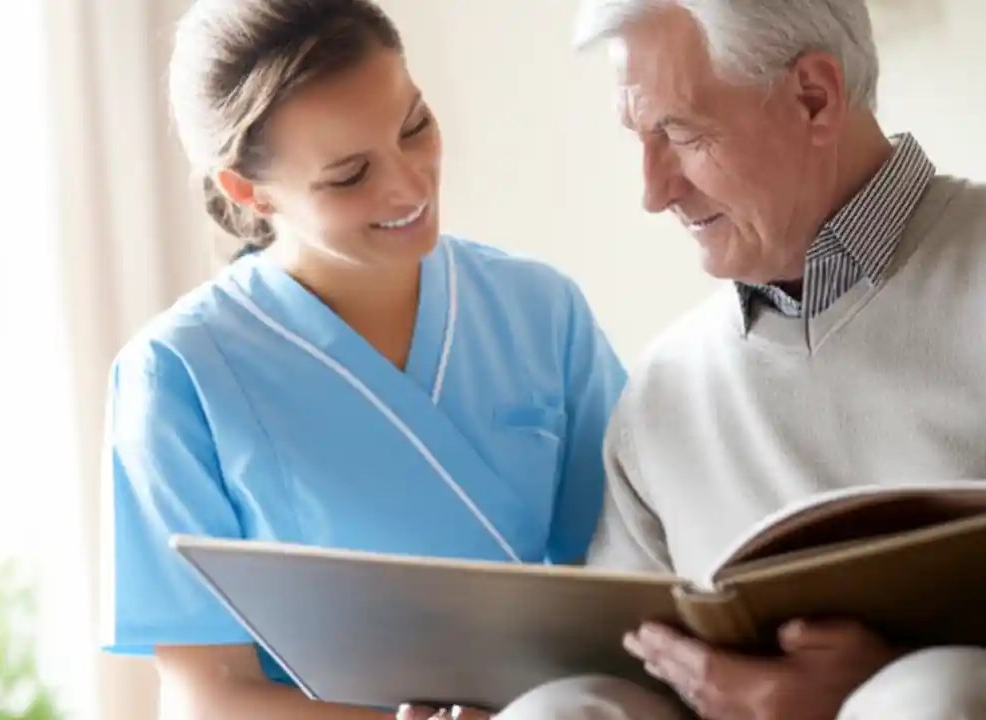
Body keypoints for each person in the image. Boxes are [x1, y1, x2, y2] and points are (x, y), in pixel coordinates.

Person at [495, 0, 986, 718]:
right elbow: (631, 667)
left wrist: (879, 691)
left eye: (681, 132)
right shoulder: (662, 394)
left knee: (928, 701)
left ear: (814, 98)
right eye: (639, 137)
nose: (654, 191)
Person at [98, 1, 626, 718]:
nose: (408, 186)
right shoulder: (177, 377)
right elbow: (207, 696)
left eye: (415, 126)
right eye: (349, 175)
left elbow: (624, 588)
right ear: (248, 191)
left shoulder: (541, 311)